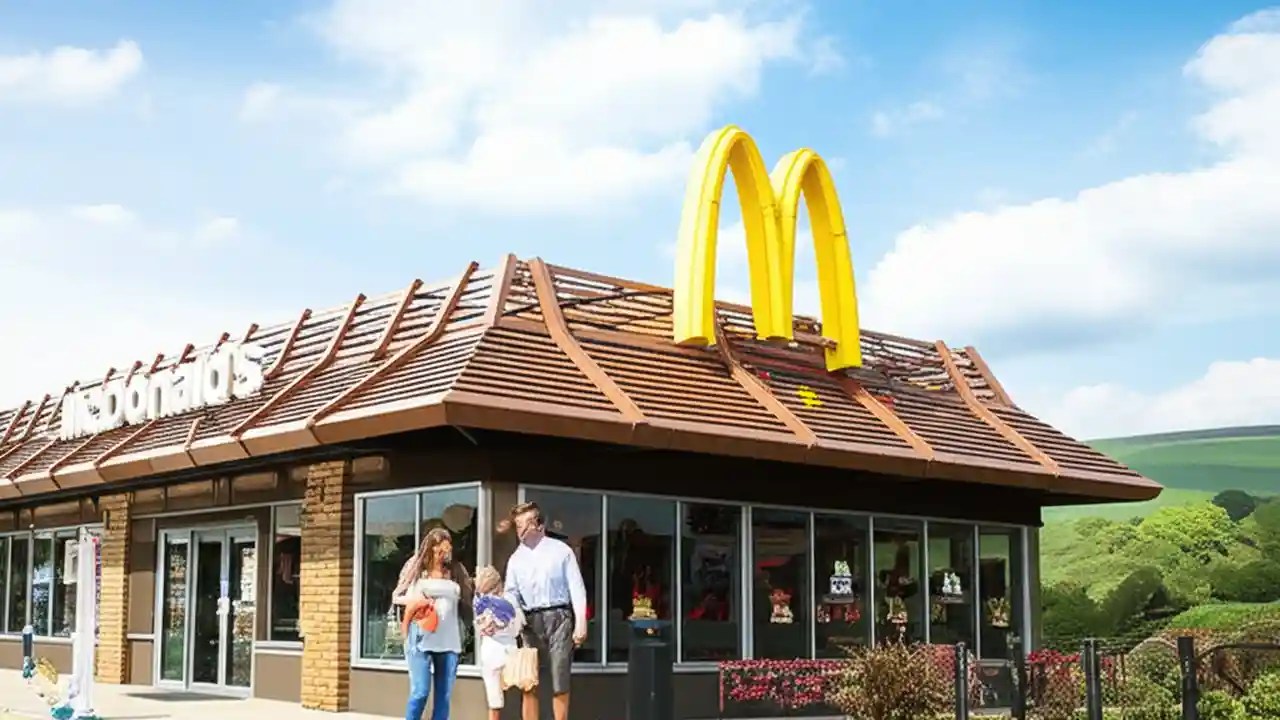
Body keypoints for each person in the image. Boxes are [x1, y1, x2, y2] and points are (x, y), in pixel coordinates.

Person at [503, 502, 588, 720]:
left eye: (526, 523)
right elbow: (510, 592)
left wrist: (581, 622)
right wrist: (516, 610)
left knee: (560, 680)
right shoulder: (515, 559)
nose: (522, 529)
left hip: (560, 617)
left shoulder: (561, 551)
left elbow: (576, 588)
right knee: (529, 680)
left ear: (539, 524)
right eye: (518, 525)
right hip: (530, 621)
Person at [393, 527, 467, 720]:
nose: (444, 554)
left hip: (449, 638)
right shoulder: (417, 569)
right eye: (440, 550)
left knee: (443, 696)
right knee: (420, 692)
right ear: (432, 548)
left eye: (447, 550)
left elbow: (467, 596)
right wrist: (417, 600)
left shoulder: (455, 570)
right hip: (421, 635)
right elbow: (397, 596)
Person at [473, 565, 524, 720]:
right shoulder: (507, 603)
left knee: (494, 700)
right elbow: (517, 627)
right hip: (505, 651)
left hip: (494, 651)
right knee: (522, 692)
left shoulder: (481, 603)